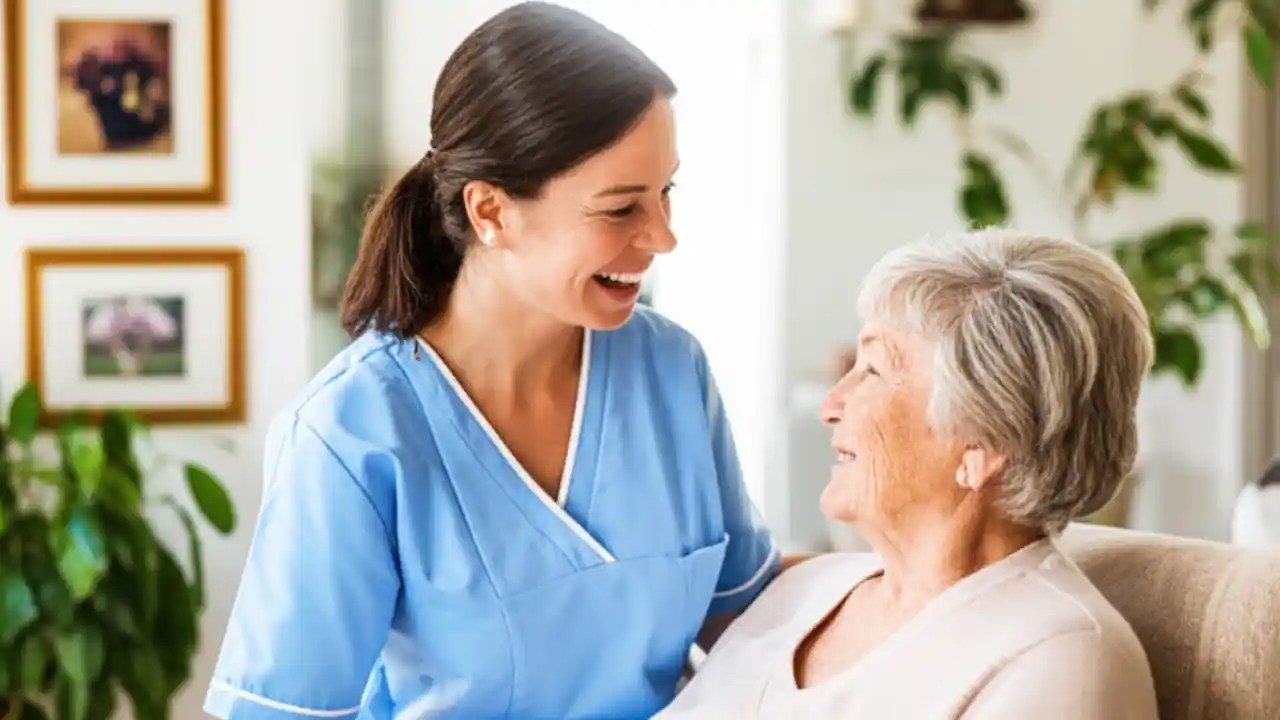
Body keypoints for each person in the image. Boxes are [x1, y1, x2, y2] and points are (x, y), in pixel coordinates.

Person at [203, 3, 779, 719]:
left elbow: (750, 619)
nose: (663, 237)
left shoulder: (671, 372)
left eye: (666, 193)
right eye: (622, 208)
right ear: (491, 212)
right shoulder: (351, 436)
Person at [657, 229, 1160, 719]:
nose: (831, 405)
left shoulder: (1059, 659)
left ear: (982, 445)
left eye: (872, 370)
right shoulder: (800, 591)